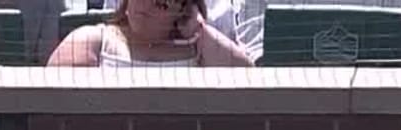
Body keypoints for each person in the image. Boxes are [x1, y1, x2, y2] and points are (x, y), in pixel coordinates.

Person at [46, 0, 253, 67]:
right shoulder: (92, 41)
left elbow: (248, 82)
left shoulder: (201, 50)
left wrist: (199, 30)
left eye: (161, 4)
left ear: (182, 12)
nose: (145, 5)